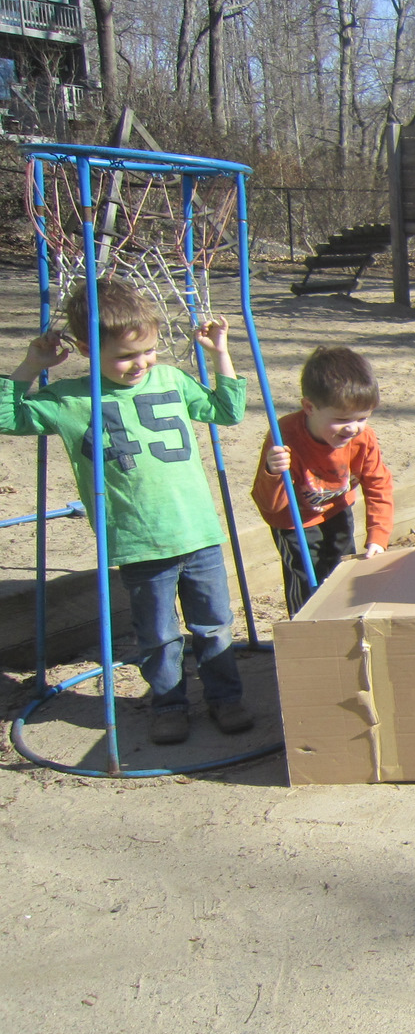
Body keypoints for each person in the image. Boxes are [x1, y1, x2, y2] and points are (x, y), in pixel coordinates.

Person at [1, 277, 253, 745]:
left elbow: (227, 411)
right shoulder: (70, 399)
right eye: (124, 356)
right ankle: (169, 704)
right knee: (158, 635)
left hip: (197, 531)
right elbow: (5, 417)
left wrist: (220, 353)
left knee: (215, 625)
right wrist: (31, 365)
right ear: (84, 349)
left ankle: (225, 697)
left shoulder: (172, 379)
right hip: (139, 540)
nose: (140, 364)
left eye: (149, 351)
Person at [251, 346, 392, 616]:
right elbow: (269, 505)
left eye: (362, 418)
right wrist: (273, 471)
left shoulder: (363, 438)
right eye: (341, 419)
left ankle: (341, 624)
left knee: (343, 572)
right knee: (306, 577)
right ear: (309, 407)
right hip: (294, 520)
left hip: (337, 509)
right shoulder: (285, 435)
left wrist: (378, 535)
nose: (353, 428)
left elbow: (379, 484)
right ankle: (303, 629)